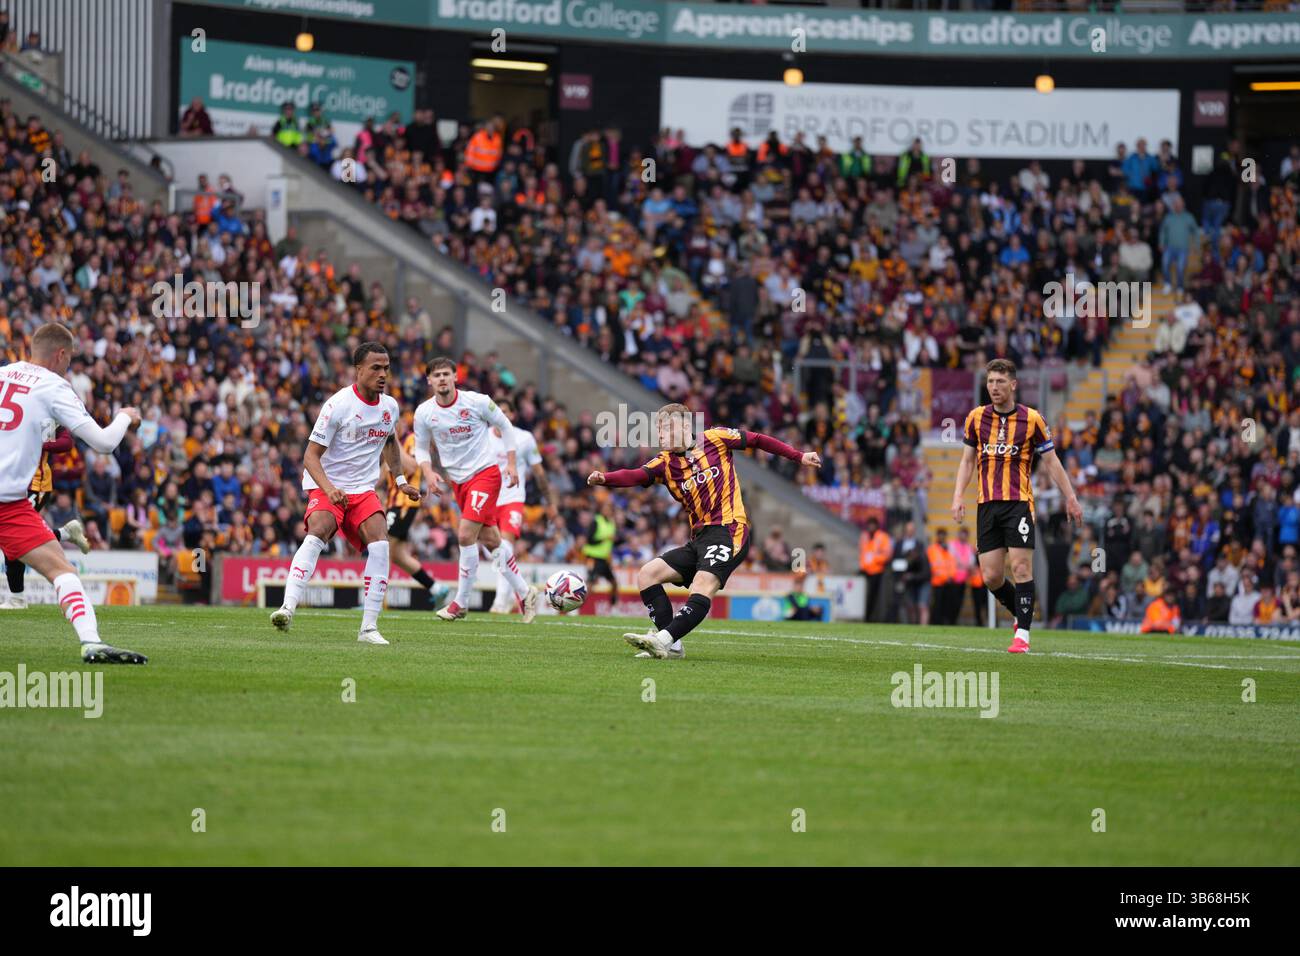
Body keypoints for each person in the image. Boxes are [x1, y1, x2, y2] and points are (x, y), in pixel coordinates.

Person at [586, 403, 821, 660]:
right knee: (647, 574)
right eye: (658, 429)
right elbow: (634, 475)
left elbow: (757, 440)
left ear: (686, 426)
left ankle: (663, 639)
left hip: (730, 530)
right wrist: (605, 478)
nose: (660, 434)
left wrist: (799, 456)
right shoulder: (664, 464)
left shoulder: (715, 438)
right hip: (698, 539)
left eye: (666, 427)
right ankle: (673, 647)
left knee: (702, 583)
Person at [0, 323, 145, 663]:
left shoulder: (3, 373)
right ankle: (91, 643)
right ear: (61, 354)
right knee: (63, 572)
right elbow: (105, 443)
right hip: (9, 505)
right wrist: (124, 417)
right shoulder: (54, 386)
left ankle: (92, 641)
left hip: (13, 503)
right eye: (69, 360)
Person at [269, 343, 418, 645]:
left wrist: (400, 479)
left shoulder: (389, 407)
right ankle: (287, 607)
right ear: (358, 369)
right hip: (327, 482)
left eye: (386, 368)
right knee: (319, 530)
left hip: (362, 488)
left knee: (380, 542)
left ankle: (368, 628)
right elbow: (310, 456)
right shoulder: (337, 406)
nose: (382, 374)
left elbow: (390, 443)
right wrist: (329, 489)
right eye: (375, 367)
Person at [950, 359, 1083, 653]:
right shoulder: (975, 418)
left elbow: (1051, 461)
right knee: (991, 576)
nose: (994, 388)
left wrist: (1070, 497)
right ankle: (1021, 613)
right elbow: (968, 461)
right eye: (990, 382)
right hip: (986, 505)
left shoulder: (1032, 419)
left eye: (1000, 382)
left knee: (1021, 568)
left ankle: (1022, 634)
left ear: (1013, 385)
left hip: (1018, 504)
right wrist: (958, 495)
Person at [413, 358, 539, 623]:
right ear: (429, 381)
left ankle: (461, 602)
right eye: (437, 375)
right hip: (458, 482)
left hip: (485, 475)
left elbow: (505, 426)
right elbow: (422, 447)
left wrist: (513, 464)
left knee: (465, 534)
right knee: (493, 541)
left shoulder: (477, 401)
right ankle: (526, 593)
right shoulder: (424, 413)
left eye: (446, 374)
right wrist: (427, 472)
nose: (442, 379)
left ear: (455, 377)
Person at [1, 424, 91, 610]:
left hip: (34, 484)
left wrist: (38, 444)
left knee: (16, 536)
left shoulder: (43, 409)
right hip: (10, 482)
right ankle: (65, 533)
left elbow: (66, 442)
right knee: (13, 535)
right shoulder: (10, 407)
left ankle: (17, 598)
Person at [487, 398, 555, 613]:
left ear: (513, 415)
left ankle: (500, 602)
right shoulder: (482, 437)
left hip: (512, 499)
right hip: (487, 500)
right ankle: (507, 596)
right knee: (496, 553)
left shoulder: (524, 438)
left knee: (504, 548)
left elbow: (539, 473)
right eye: (497, 411)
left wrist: (550, 502)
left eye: (505, 411)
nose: (500, 415)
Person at [378, 433, 451, 610]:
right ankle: (436, 588)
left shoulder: (412, 439)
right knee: (397, 555)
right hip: (395, 504)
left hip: (403, 503)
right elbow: (382, 476)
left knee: (382, 548)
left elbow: (411, 467)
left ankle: (375, 602)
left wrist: (393, 442)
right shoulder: (399, 443)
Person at [858, 515, 891, 623]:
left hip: (877, 571)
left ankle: (871, 618)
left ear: (876, 526)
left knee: (873, 596)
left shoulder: (883, 537)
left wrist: (875, 560)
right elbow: (862, 553)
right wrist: (863, 565)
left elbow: (887, 554)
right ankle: (864, 616)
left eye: (873, 525)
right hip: (865, 571)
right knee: (863, 596)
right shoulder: (864, 536)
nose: (871, 527)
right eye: (869, 525)